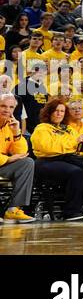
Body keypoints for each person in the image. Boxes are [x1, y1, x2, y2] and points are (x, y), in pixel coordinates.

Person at [31, 97, 83, 221]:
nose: (59, 114)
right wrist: (74, 144)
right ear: (49, 112)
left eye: (62, 111)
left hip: (70, 159)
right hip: (47, 161)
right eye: (56, 111)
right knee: (76, 172)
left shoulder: (69, 129)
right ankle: (71, 212)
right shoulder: (42, 128)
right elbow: (48, 148)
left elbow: (78, 148)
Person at [0, 93, 35, 222]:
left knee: (27, 163)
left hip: (2, 165)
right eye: (3, 106)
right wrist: (8, 159)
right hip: (3, 161)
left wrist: (16, 133)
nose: (7, 110)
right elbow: (11, 157)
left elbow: (21, 152)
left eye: (10, 107)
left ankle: (13, 210)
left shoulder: (10, 124)